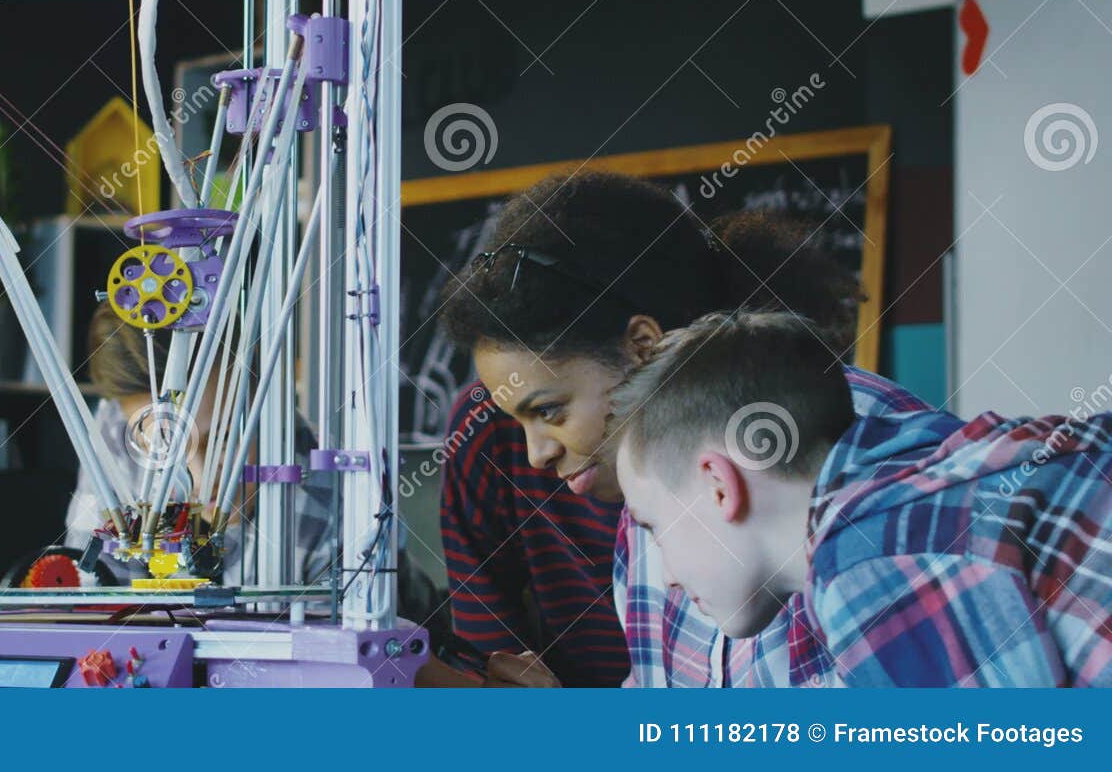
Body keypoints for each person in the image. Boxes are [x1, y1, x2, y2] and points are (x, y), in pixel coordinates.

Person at [436, 170, 927, 687]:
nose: (535, 455)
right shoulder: (643, 496)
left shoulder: (870, 454)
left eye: (550, 410)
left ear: (643, 346)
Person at [610, 310, 1112, 687]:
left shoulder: (866, 556)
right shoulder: (924, 461)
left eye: (654, 527)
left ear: (719, 485)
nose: (667, 577)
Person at [63, 302, 335, 586]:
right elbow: (93, 599)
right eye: (165, 448)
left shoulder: (331, 490)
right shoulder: (117, 434)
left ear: (263, 397)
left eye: (225, 437)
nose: (202, 480)